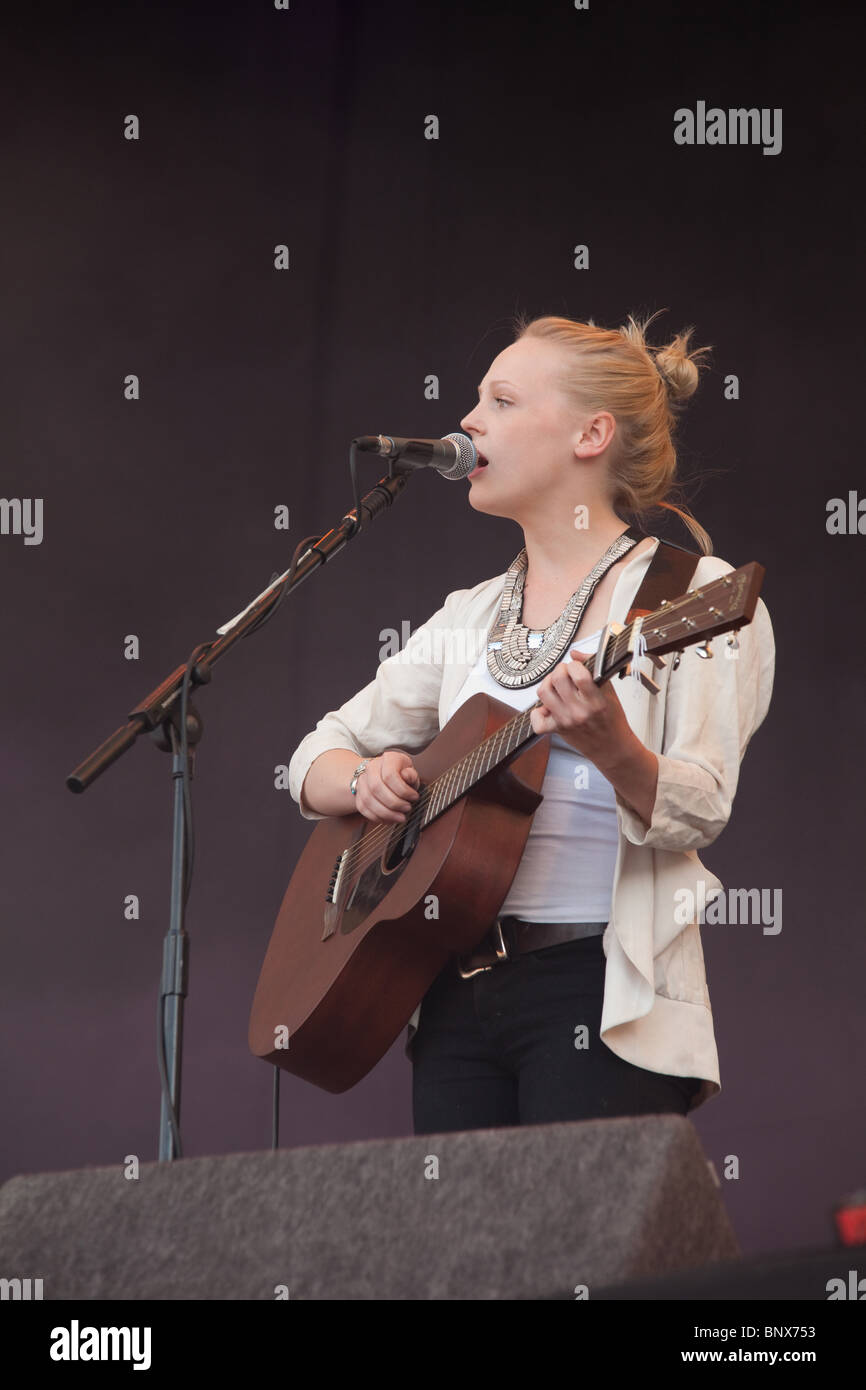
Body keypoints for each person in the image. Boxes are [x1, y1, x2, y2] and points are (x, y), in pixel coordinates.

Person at [288, 311, 775, 1135]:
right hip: (450, 1000)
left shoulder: (693, 595)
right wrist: (363, 780)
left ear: (591, 433)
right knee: (465, 1263)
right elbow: (314, 755)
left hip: (594, 988)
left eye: (502, 401)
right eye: (477, 401)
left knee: (591, 1258)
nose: (469, 421)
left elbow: (703, 803)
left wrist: (612, 746)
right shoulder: (469, 614)